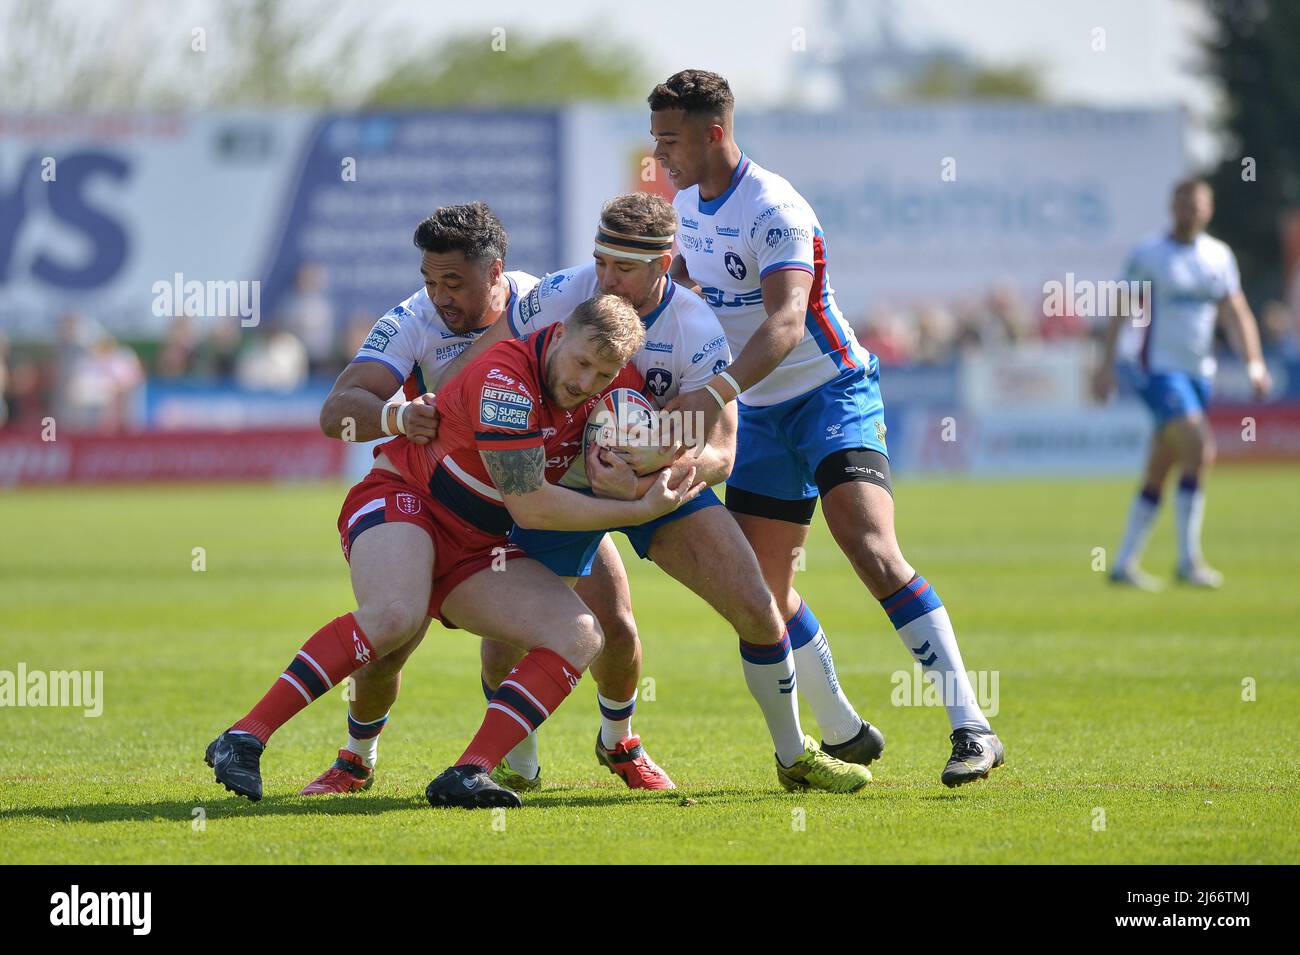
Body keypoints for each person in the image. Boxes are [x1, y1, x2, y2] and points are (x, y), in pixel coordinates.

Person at [430, 192, 876, 794]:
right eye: (601, 261)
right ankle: (520, 761)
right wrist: (434, 419)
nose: (605, 279)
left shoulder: (695, 325)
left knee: (755, 603)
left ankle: (792, 755)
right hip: (557, 486)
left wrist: (664, 477)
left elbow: (721, 450)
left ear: (664, 264)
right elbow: (481, 366)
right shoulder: (563, 293)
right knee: (519, 633)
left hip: (659, 487)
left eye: (625, 267)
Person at [649, 69, 1003, 786]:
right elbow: (682, 292)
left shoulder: (775, 206)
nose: (661, 155)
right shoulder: (685, 206)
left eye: (671, 139)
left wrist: (711, 393)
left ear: (715, 132)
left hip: (832, 391)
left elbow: (784, 321)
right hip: (759, 415)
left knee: (869, 547)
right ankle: (839, 722)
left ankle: (973, 726)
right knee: (762, 594)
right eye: (655, 140)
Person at [1094, 177, 1271, 589]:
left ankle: (1122, 563)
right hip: (1158, 371)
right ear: (1171, 207)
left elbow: (1236, 312)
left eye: (1196, 204)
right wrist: (1105, 366)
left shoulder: (1218, 256)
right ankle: (1190, 561)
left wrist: (1255, 361)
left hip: (1199, 374)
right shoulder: (1149, 254)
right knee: (1199, 447)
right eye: (1182, 203)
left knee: (1162, 466)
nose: (1188, 211)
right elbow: (1121, 308)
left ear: (1208, 209)